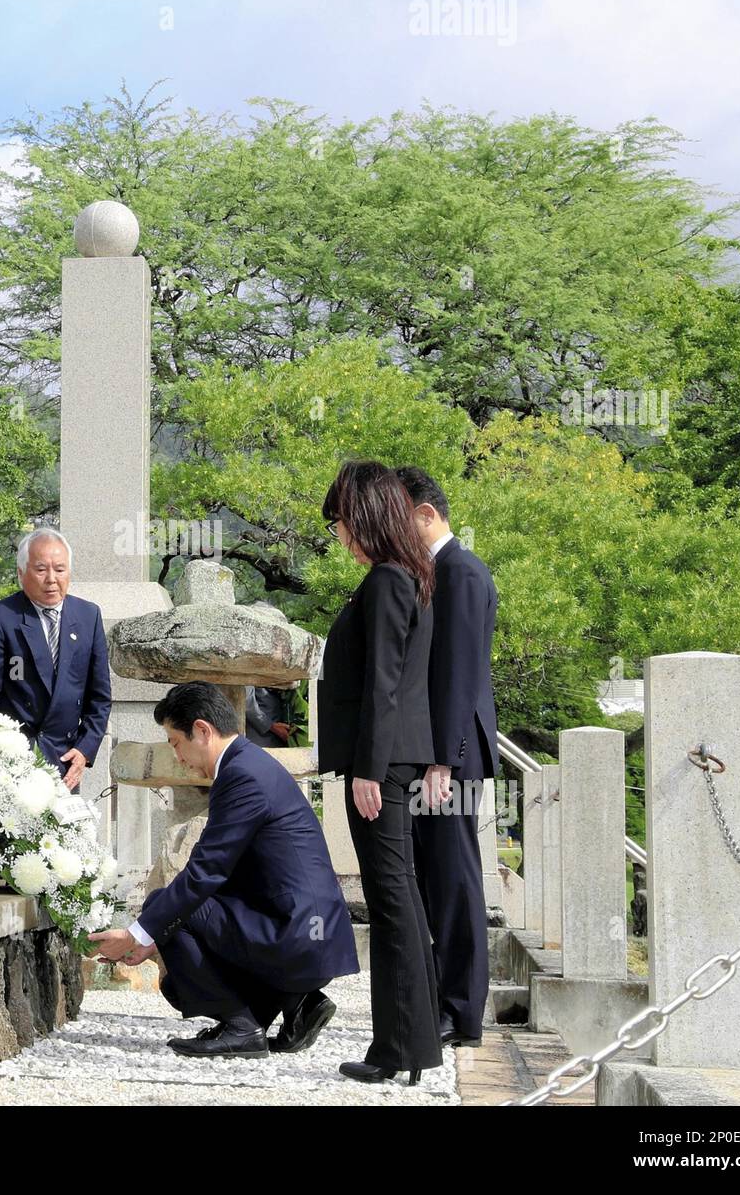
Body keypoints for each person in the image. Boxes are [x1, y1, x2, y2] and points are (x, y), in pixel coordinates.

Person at [87, 681, 359, 1058]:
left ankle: (242, 1025)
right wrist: (149, 938)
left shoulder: (242, 775)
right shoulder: (249, 763)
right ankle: (293, 1001)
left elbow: (204, 873)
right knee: (174, 910)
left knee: (163, 906)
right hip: (304, 928)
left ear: (202, 730)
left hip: (297, 934)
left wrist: (138, 933)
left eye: (175, 742)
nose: (177, 756)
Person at [318, 460, 442, 1085]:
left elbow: (384, 683)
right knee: (399, 900)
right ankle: (403, 1048)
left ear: (364, 514)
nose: (338, 533)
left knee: (392, 901)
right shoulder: (402, 576)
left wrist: (366, 768)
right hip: (389, 761)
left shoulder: (390, 580)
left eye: (340, 518)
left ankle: (400, 1050)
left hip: (383, 765)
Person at [396, 465, 499, 1048]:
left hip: (450, 757)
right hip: (442, 753)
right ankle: (446, 1000)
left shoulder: (458, 571)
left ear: (425, 515)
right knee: (438, 876)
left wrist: (440, 762)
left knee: (454, 878)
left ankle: (461, 1010)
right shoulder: (442, 571)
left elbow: (459, 675)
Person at [0, 528, 112, 876]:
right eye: (41, 569)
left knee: (60, 868)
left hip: (64, 764)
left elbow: (99, 697)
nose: (51, 579)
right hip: (11, 766)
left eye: (59, 569)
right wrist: (2, 756)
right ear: (21, 572)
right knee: (7, 864)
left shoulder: (88, 617)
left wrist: (85, 750)